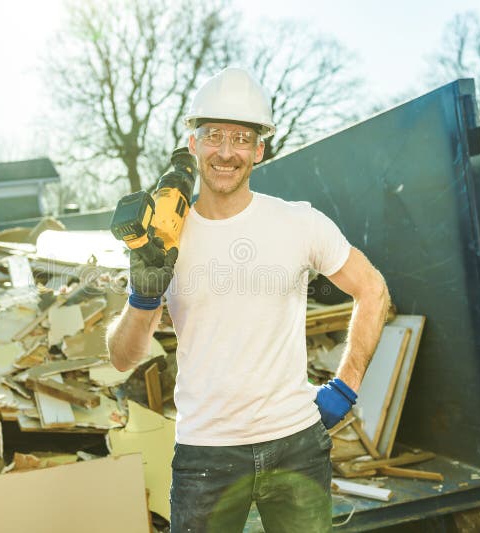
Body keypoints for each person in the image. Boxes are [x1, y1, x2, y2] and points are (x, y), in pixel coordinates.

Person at [107, 67, 390, 533]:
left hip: (296, 444)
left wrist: (344, 386)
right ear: (193, 144)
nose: (225, 151)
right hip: (205, 455)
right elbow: (122, 359)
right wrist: (143, 297)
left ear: (259, 150)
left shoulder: (299, 223)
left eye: (240, 138)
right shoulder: (164, 237)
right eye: (213, 135)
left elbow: (372, 290)